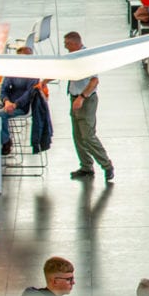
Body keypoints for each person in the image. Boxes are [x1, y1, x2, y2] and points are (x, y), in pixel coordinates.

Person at [64, 32, 115, 183]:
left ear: (74, 43)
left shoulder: (87, 58)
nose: (65, 46)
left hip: (85, 101)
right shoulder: (73, 57)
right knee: (78, 136)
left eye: (67, 43)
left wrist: (82, 97)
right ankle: (86, 166)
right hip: (75, 99)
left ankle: (107, 165)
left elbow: (94, 81)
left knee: (88, 136)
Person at [0, 47, 48, 155]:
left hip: (22, 107)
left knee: (0, 115)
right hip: (9, 103)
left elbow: (28, 94)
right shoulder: (13, 71)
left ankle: (5, 142)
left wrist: (15, 105)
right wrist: (6, 101)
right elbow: (4, 89)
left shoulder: (33, 74)